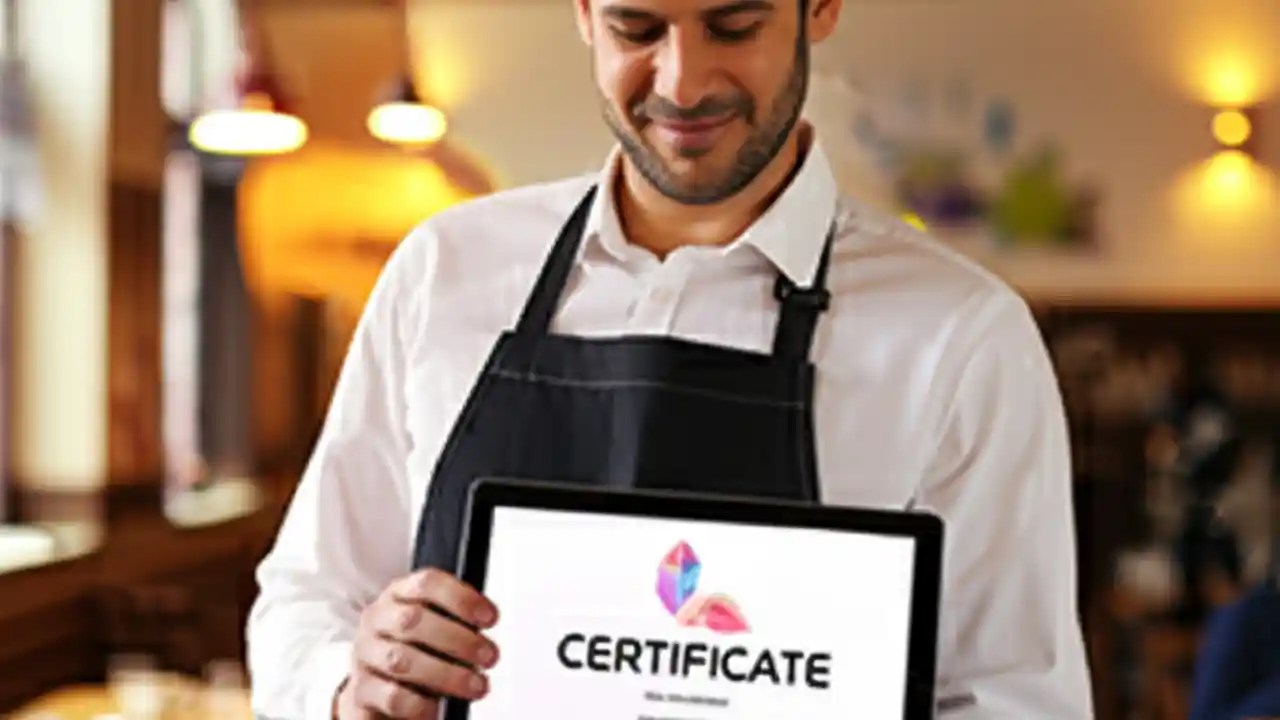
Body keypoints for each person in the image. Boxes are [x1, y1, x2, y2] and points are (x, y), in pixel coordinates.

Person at [247, 0, 1094, 717]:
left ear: (820, 9)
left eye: (732, 26)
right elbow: (304, 600)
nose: (682, 83)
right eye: (637, 27)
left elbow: (1017, 697)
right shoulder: (445, 272)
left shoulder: (964, 338)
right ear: (583, 13)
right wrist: (347, 682)